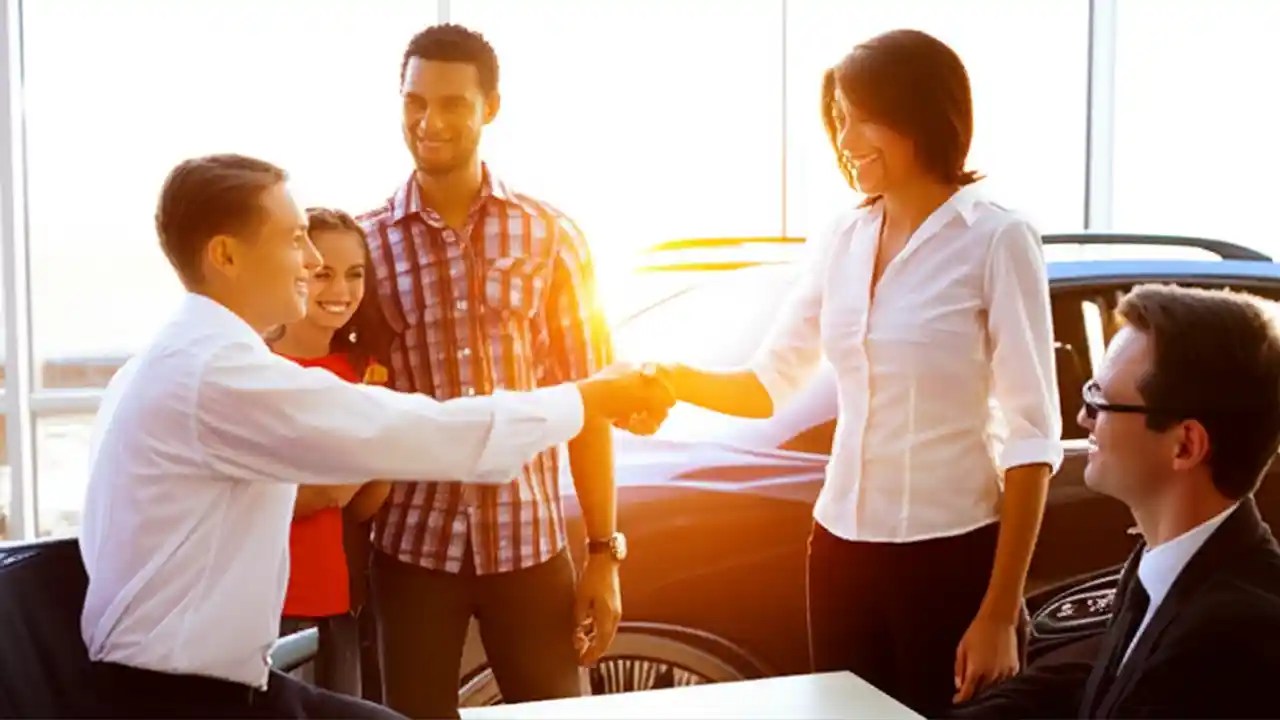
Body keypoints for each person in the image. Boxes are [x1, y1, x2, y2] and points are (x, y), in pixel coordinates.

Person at [77, 153, 673, 719]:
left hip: (183, 684)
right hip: (178, 701)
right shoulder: (216, 375)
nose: (311, 260)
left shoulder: (177, 359)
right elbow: (424, 432)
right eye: (293, 238)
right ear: (226, 256)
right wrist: (591, 397)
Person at [626, 29, 1062, 716]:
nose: (845, 136)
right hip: (839, 553)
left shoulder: (996, 238)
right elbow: (768, 381)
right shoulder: (842, 238)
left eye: (863, 116)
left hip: (951, 557)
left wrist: (1000, 612)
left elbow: (1034, 436)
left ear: (921, 112)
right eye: (837, 118)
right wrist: (667, 378)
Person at [357, 24, 622, 718]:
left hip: (530, 546)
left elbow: (587, 400)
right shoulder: (365, 244)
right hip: (410, 551)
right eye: (415, 101)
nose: (429, 121)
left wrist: (603, 551)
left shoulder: (552, 235)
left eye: (452, 103)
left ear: (490, 108)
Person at [952, 284, 1280, 718]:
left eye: (1100, 401)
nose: (1083, 417)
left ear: (1185, 445)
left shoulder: (1236, 635)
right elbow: (1093, 685)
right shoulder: (1172, 564)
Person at [269, 207, 395, 698]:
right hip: (268, 601)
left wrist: (383, 450)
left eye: (354, 274)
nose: (341, 290)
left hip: (336, 602)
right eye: (323, 273)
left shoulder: (358, 374)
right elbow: (316, 494)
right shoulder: (258, 367)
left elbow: (359, 505)